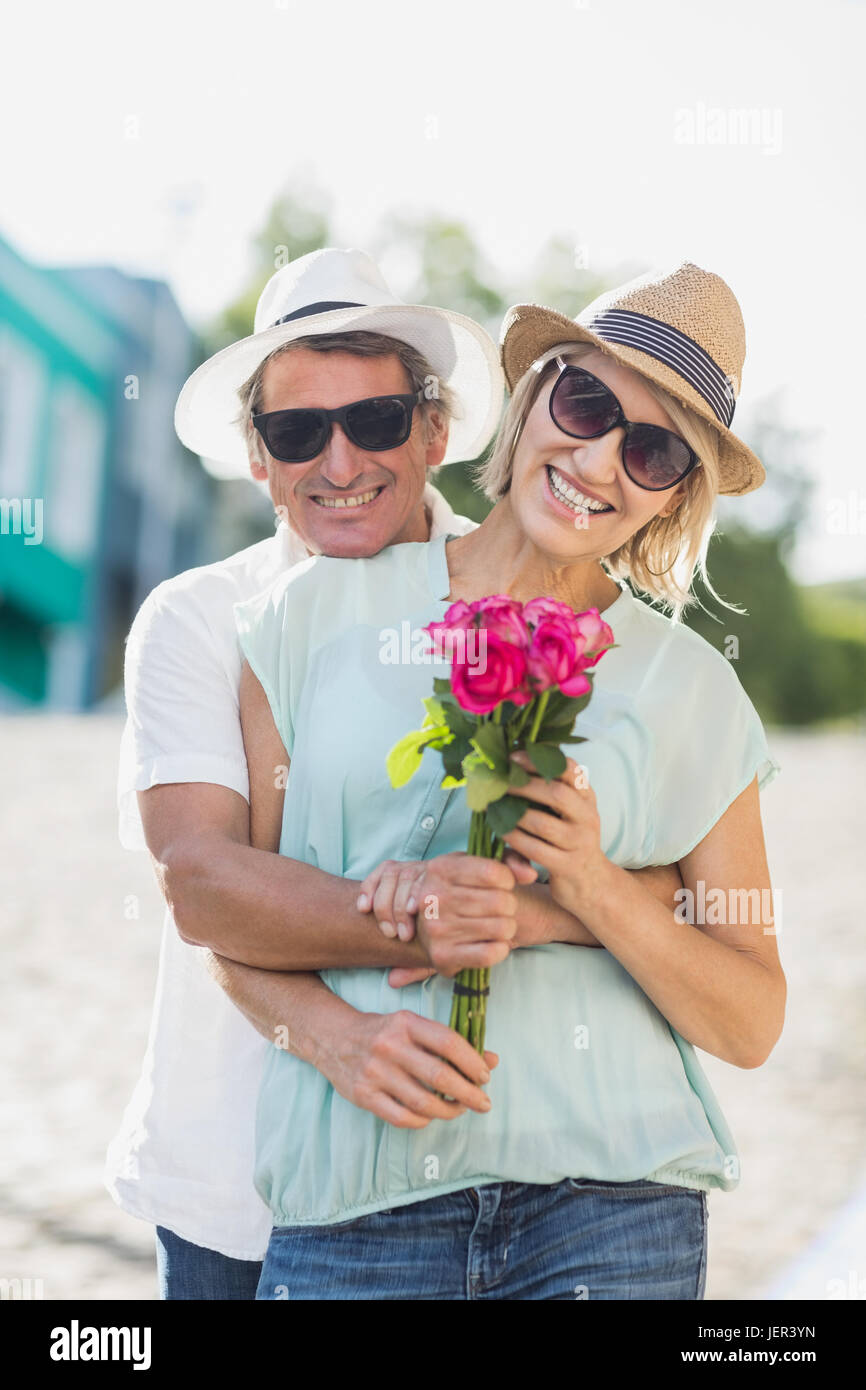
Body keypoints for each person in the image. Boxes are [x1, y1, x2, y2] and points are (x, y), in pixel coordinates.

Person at [106, 246, 684, 1299]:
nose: (338, 462)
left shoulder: (526, 600)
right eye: (295, 431)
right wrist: (365, 990)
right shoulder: (197, 621)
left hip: (466, 1192)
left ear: (434, 428)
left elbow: (656, 891)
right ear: (256, 454)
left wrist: (536, 904)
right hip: (226, 1184)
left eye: (373, 421)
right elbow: (203, 883)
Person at [233, 261, 786, 1301]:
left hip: (611, 1214)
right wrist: (349, 995)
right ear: (534, 395)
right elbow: (235, 922)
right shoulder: (308, 622)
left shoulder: (692, 688)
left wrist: (582, 886)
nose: (597, 458)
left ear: (675, 493)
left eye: (652, 448)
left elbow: (749, 1017)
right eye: (585, 402)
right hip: (357, 1203)